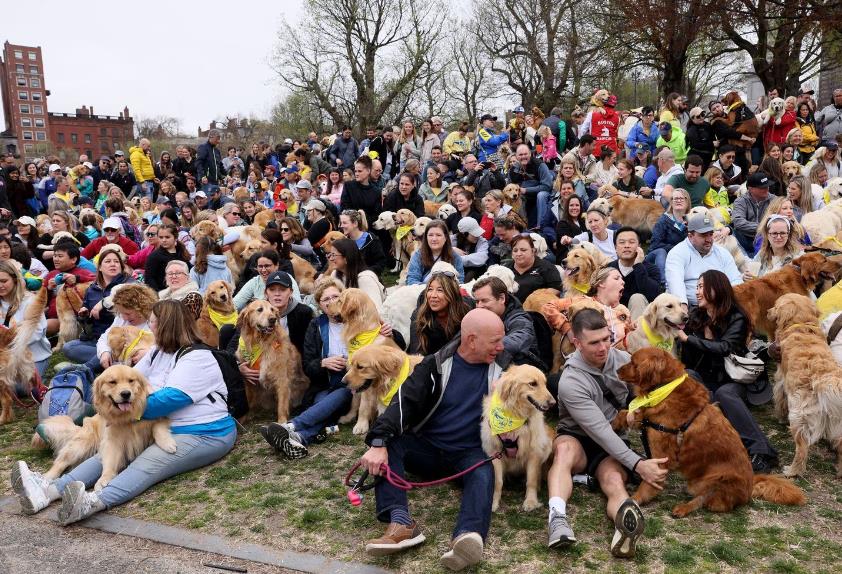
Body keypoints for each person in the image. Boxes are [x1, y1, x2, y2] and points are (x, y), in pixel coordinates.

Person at [12, 299, 236, 525]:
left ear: (167, 325)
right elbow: (126, 382)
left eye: (153, 322)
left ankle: (93, 502)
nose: (150, 327)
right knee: (107, 454)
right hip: (153, 425)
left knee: (147, 463)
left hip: (203, 432)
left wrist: (115, 410)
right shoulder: (157, 352)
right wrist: (113, 401)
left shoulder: (197, 357)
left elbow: (167, 401)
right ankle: (47, 492)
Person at [359, 309, 507, 569]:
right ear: (471, 340)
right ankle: (401, 522)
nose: (502, 346)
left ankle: (467, 537)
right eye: (496, 340)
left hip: (470, 453)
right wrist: (378, 442)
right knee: (390, 442)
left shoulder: (504, 370)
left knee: (484, 471)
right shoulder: (435, 365)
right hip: (426, 449)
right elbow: (403, 404)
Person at [547, 308, 667, 557]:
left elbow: (651, 395)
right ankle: (557, 518)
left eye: (606, 338)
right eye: (594, 343)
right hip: (578, 437)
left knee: (613, 479)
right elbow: (600, 431)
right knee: (564, 452)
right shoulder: (571, 381)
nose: (603, 347)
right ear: (576, 343)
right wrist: (638, 464)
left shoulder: (624, 359)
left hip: (612, 440)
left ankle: (624, 522)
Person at [678, 270, 778, 472]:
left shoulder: (736, 317)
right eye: (696, 287)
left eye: (702, 287)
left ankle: (761, 451)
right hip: (706, 379)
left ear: (717, 288)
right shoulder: (695, 317)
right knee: (687, 376)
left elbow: (725, 348)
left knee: (725, 394)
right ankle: (700, 447)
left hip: (734, 379)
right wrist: (686, 340)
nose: (697, 292)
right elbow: (687, 360)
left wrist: (690, 339)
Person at [261, 279, 352, 459]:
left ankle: (290, 426)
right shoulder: (316, 325)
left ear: (343, 298)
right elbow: (308, 365)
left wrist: (389, 331)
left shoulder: (356, 319)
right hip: (326, 384)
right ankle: (299, 437)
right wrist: (322, 363)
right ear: (319, 304)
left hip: (354, 385)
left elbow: (390, 342)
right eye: (326, 299)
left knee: (341, 394)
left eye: (335, 296)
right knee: (322, 406)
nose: (331, 302)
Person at [61, 246, 133, 372]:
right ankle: (112, 361)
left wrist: (104, 302)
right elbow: (87, 322)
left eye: (116, 262)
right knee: (69, 347)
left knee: (116, 349)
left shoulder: (129, 284)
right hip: (97, 340)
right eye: (108, 261)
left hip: (121, 341)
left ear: (121, 266)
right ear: (99, 267)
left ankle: (86, 368)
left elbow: (131, 299)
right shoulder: (92, 289)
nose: (113, 264)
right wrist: (83, 315)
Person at [224, 271, 312, 364]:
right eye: (272, 289)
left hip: (287, 363)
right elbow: (233, 346)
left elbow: (307, 350)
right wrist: (240, 366)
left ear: (290, 292)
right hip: (254, 360)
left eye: (282, 289)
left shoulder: (304, 313)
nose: (277, 294)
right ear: (266, 293)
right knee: (227, 330)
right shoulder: (255, 310)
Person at [665, 213, 742, 307]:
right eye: (703, 235)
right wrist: (683, 307)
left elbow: (736, 281)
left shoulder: (722, 253)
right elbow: (675, 284)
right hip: (690, 307)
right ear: (690, 236)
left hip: (721, 305)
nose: (709, 239)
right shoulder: (677, 253)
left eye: (710, 234)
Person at [471, 276, 542, 367]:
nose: (479, 306)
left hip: (519, 370)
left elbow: (519, 337)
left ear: (501, 298)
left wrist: (484, 346)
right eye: (477, 301)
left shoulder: (519, 318)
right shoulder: (478, 315)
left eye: (484, 300)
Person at [0, 261, 50, 380]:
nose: (0, 285)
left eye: (4, 281)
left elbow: (36, 333)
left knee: (17, 387)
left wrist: (7, 340)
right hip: (3, 357)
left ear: (15, 279)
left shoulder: (30, 301)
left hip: (32, 357)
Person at [408, 271, 472, 355]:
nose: (433, 295)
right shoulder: (419, 316)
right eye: (430, 289)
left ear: (451, 294)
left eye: (440, 290)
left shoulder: (466, 309)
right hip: (430, 363)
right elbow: (416, 353)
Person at [607, 227, 661, 315]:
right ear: (615, 248)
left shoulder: (651, 269)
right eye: (622, 242)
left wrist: (638, 266)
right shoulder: (609, 269)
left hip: (642, 319)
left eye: (631, 242)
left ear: (639, 247)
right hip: (614, 316)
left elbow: (653, 296)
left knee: (637, 298)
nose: (626, 245)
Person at [326, 239, 386, 311]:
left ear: (346, 258)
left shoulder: (366, 279)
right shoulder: (335, 275)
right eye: (330, 254)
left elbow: (375, 309)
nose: (331, 258)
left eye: (334, 255)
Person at [646, 188, 690, 284]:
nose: (679, 200)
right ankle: (663, 284)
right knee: (661, 252)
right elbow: (654, 245)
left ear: (687, 202)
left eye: (682, 198)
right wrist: (677, 249)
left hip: (683, 258)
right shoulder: (664, 220)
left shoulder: (691, 219)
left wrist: (728, 229)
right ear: (671, 202)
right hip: (659, 258)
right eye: (675, 198)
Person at [507, 144, 554, 227]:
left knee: (541, 195)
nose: (523, 157)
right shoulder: (513, 169)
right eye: (520, 155)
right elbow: (508, 187)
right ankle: (516, 226)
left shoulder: (539, 165)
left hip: (541, 196)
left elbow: (547, 186)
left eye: (525, 154)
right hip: (523, 198)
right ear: (516, 156)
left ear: (530, 154)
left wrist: (526, 190)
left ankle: (541, 226)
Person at [406, 220, 465, 285]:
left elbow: (459, 282)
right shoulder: (418, 255)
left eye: (438, 235)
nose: (434, 239)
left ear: (445, 237)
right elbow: (412, 281)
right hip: (422, 291)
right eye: (430, 235)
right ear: (426, 237)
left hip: (448, 292)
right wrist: (431, 290)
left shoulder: (455, 257)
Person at [506, 234, 562, 302]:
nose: (519, 254)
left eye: (523, 250)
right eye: (515, 251)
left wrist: (536, 299)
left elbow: (557, 290)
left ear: (533, 251)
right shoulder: (506, 269)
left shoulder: (547, 267)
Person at [748, 213, 804, 279]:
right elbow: (752, 276)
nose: (778, 237)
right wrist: (746, 277)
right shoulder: (762, 254)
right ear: (767, 235)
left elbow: (807, 286)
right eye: (774, 233)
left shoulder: (799, 257)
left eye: (782, 233)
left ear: (788, 235)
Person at [731, 172, 774, 255]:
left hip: (767, 239)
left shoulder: (774, 200)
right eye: (762, 187)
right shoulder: (741, 201)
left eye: (767, 186)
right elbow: (738, 222)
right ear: (750, 189)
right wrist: (763, 227)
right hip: (744, 240)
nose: (766, 189)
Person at [144, 224, 191, 292]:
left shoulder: (182, 253)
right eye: (161, 237)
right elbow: (149, 279)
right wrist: (159, 295)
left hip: (184, 291)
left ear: (175, 237)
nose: (164, 240)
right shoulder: (154, 256)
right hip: (164, 294)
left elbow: (189, 273)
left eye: (167, 237)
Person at [339, 210, 387, 276]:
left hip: (368, 279)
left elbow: (381, 263)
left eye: (344, 223)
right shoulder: (343, 241)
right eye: (341, 223)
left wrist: (364, 273)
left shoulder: (372, 240)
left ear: (355, 223)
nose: (341, 226)